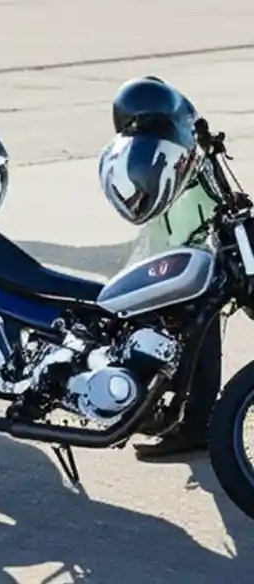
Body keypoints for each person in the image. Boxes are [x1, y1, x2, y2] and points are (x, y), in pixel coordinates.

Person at [99, 76, 223, 460]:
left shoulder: (176, 147)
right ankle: (185, 419)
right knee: (196, 333)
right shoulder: (178, 129)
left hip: (189, 251)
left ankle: (191, 423)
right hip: (180, 249)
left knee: (195, 334)